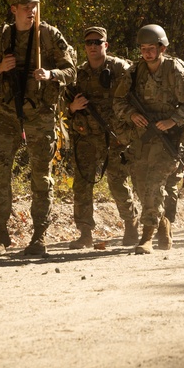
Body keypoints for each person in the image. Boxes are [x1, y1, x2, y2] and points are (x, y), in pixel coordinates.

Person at [0, 0, 77, 257]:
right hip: (7, 113)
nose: (31, 11)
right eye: (25, 7)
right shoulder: (0, 37)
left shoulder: (48, 35)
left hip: (40, 113)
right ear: (14, 9)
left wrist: (51, 73)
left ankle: (39, 235)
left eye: (34, 6)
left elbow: (72, 71)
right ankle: (1, 232)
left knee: (41, 175)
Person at [114, 24, 184, 255]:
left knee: (154, 184)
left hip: (169, 139)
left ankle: (146, 237)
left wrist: (173, 120)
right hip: (142, 137)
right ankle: (163, 225)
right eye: (143, 48)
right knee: (141, 186)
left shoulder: (174, 70)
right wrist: (131, 114)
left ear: (162, 48)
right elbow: (118, 102)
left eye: (151, 48)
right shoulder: (134, 72)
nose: (147, 53)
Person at [63, 27, 139, 248]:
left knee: (117, 183)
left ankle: (131, 225)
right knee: (82, 184)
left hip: (114, 136)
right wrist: (71, 107)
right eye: (89, 43)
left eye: (98, 42)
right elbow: (60, 101)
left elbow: (136, 96)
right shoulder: (78, 73)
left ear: (106, 45)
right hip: (86, 136)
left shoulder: (120, 69)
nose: (93, 46)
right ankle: (85, 233)